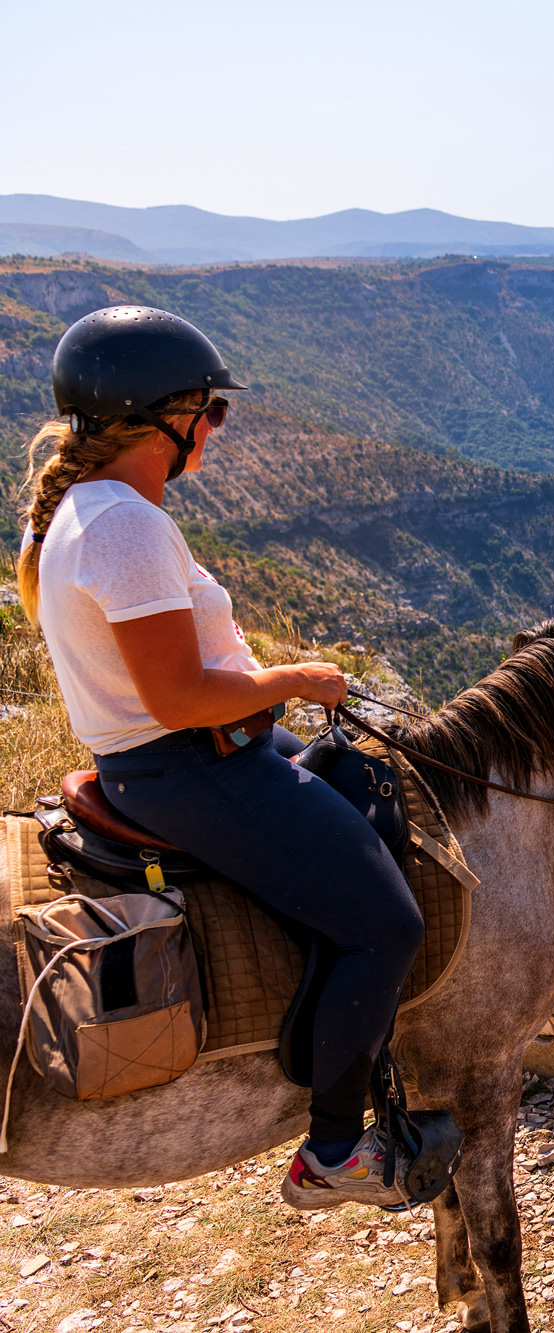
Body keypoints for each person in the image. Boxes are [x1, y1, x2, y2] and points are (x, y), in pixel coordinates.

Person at [17, 305, 423, 1209]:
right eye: (213, 410)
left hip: (174, 753)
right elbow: (181, 699)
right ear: (164, 416)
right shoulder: (125, 527)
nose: (217, 428)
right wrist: (297, 678)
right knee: (386, 925)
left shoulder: (83, 512)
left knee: (358, 783)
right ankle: (330, 1152)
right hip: (189, 763)